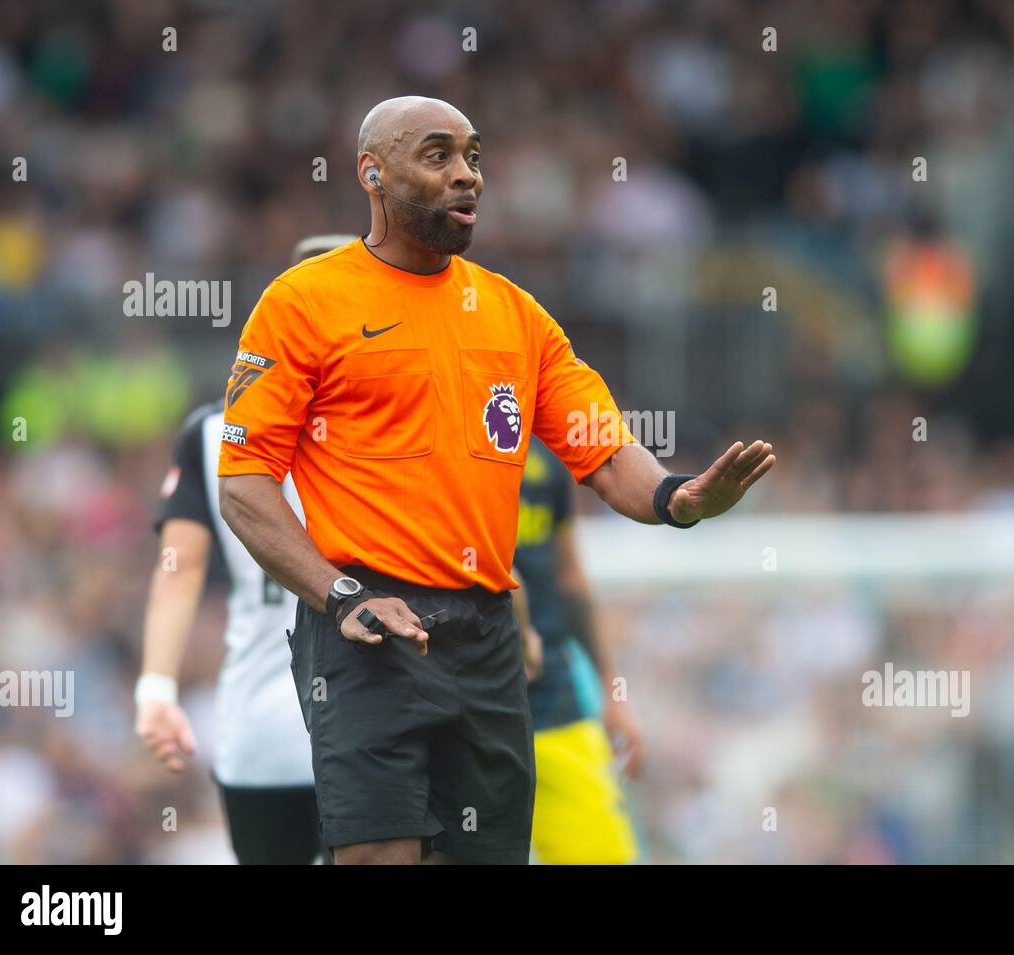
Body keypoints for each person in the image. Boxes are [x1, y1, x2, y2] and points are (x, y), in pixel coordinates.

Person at [217, 96, 775, 865]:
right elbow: (244, 485)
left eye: (475, 157)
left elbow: (604, 451)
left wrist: (674, 498)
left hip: (486, 633)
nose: (466, 175)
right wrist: (341, 594)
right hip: (367, 626)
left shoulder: (514, 314)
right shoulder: (303, 302)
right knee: (377, 854)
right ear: (371, 173)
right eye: (439, 155)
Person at [134, 235, 356, 864]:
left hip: (262, 729)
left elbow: (177, 573)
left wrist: (155, 689)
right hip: (381, 722)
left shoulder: (211, 433)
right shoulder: (398, 428)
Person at [516, 436, 643, 863]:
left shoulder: (544, 459)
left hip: (551, 697)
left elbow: (568, 575)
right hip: (455, 697)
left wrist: (613, 691)